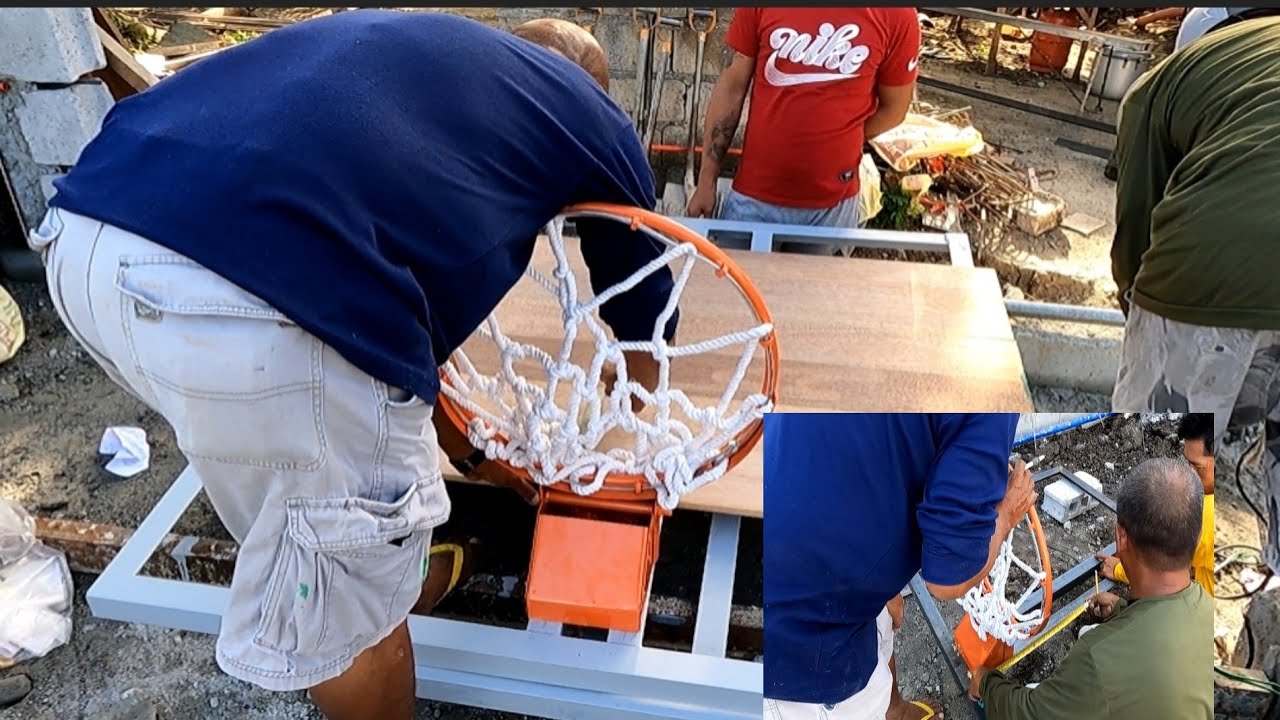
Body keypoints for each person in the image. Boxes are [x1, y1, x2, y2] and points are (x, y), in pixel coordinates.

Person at [28, 11, 677, 720]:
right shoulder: (590, 114)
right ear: (595, 90)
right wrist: (632, 418)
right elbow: (644, 302)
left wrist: (476, 456)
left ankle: (365, 567)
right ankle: (356, 597)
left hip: (83, 242)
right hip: (244, 299)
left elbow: (405, 350)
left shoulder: (419, 61)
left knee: (309, 487)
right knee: (354, 625)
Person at [1109, 14, 1280, 576]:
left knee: (1161, 471)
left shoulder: (1164, 83)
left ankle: (1154, 607)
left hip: (1208, 271)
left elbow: (1135, 225)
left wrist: (1135, 303)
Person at [764, 413, 1036, 720]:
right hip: (798, 645)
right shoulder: (992, 385)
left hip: (790, 522)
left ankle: (896, 712)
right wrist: (1005, 515)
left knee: (884, 623)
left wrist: (882, 584)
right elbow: (947, 578)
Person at [971, 458, 1213, 719]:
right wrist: (1123, 610)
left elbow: (1030, 713)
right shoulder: (1209, 607)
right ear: (1198, 535)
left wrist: (986, 683)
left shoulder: (1097, 659)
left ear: (1120, 537)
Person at [685, 7, 920, 255]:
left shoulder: (897, 15)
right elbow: (732, 87)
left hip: (831, 209)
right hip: (752, 201)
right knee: (732, 290)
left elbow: (894, 109)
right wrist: (706, 181)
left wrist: (840, 140)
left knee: (810, 292)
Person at [1096, 413, 1216, 595]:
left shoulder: (1208, 517)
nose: (1190, 474)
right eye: (1187, 463)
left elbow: (1161, 567)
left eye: (1197, 467)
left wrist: (1119, 570)